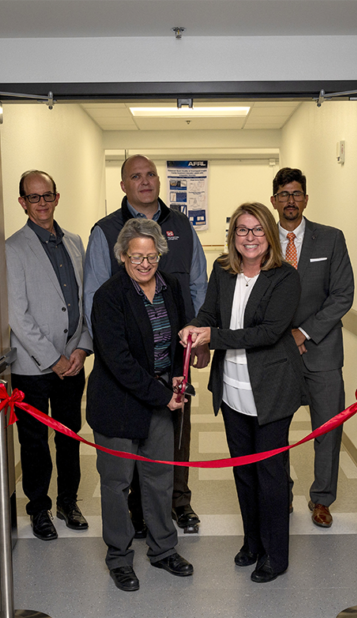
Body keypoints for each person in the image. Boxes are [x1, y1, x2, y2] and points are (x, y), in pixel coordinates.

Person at [84, 154, 209, 535]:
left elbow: (198, 285)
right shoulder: (105, 231)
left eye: (151, 173)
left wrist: (199, 341)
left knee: (172, 440)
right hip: (128, 367)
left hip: (174, 359)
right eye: (135, 176)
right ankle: (134, 522)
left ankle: (176, 506)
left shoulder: (182, 226)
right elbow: (97, 300)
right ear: (123, 185)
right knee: (126, 454)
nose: (145, 180)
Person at [179, 203, 305, 583]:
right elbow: (210, 313)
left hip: (271, 390)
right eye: (241, 230)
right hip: (232, 388)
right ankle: (252, 543)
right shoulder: (222, 271)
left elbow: (268, 333)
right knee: (244, 472)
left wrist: (212, 337)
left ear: (269, 234)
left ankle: (275, 554)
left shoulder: (285, 278)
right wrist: (195, 328)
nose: (249, 237)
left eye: (257, 230)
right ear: (233, 236)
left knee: (270, 474)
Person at [87, 219, 194, 592]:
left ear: (160, 254)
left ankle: (164, 550)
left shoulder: (173, 288)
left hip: (161, 400)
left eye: (151, 256)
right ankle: (118, 557)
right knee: (117, 485)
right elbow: (119, 362)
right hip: (118, 404)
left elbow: (181, 337)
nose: (145, 263)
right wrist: (163, 394)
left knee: (159, 481)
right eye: (137, 256)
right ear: (122, 256)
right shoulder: (109, 297)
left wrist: (180, 375)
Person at [6, 170, 92, 540]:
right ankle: (38, 508)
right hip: (33, 367)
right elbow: (17, 315)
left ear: (57, 198)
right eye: (34, 197)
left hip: (72, 361)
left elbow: (86, 301)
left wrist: (81, 348)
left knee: (70, 433)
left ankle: (68, 501)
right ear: (23, 202)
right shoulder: (12, 248)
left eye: (48, 196)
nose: (42, 203)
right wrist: (51, 358)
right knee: (35, 441)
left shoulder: (74, 242)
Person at [270, 168, 354, 529]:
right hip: (274, 354)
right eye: (284, 194)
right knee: (274, 429)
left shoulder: (331, 239)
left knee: (327, 430)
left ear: (306, 198)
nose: (291, 200)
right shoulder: (261, 239)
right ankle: (281, 493)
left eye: (297, 193)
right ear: (273, 200)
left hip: (321, 352)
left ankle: (322, 498)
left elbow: (342, 295)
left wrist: (303, 333)